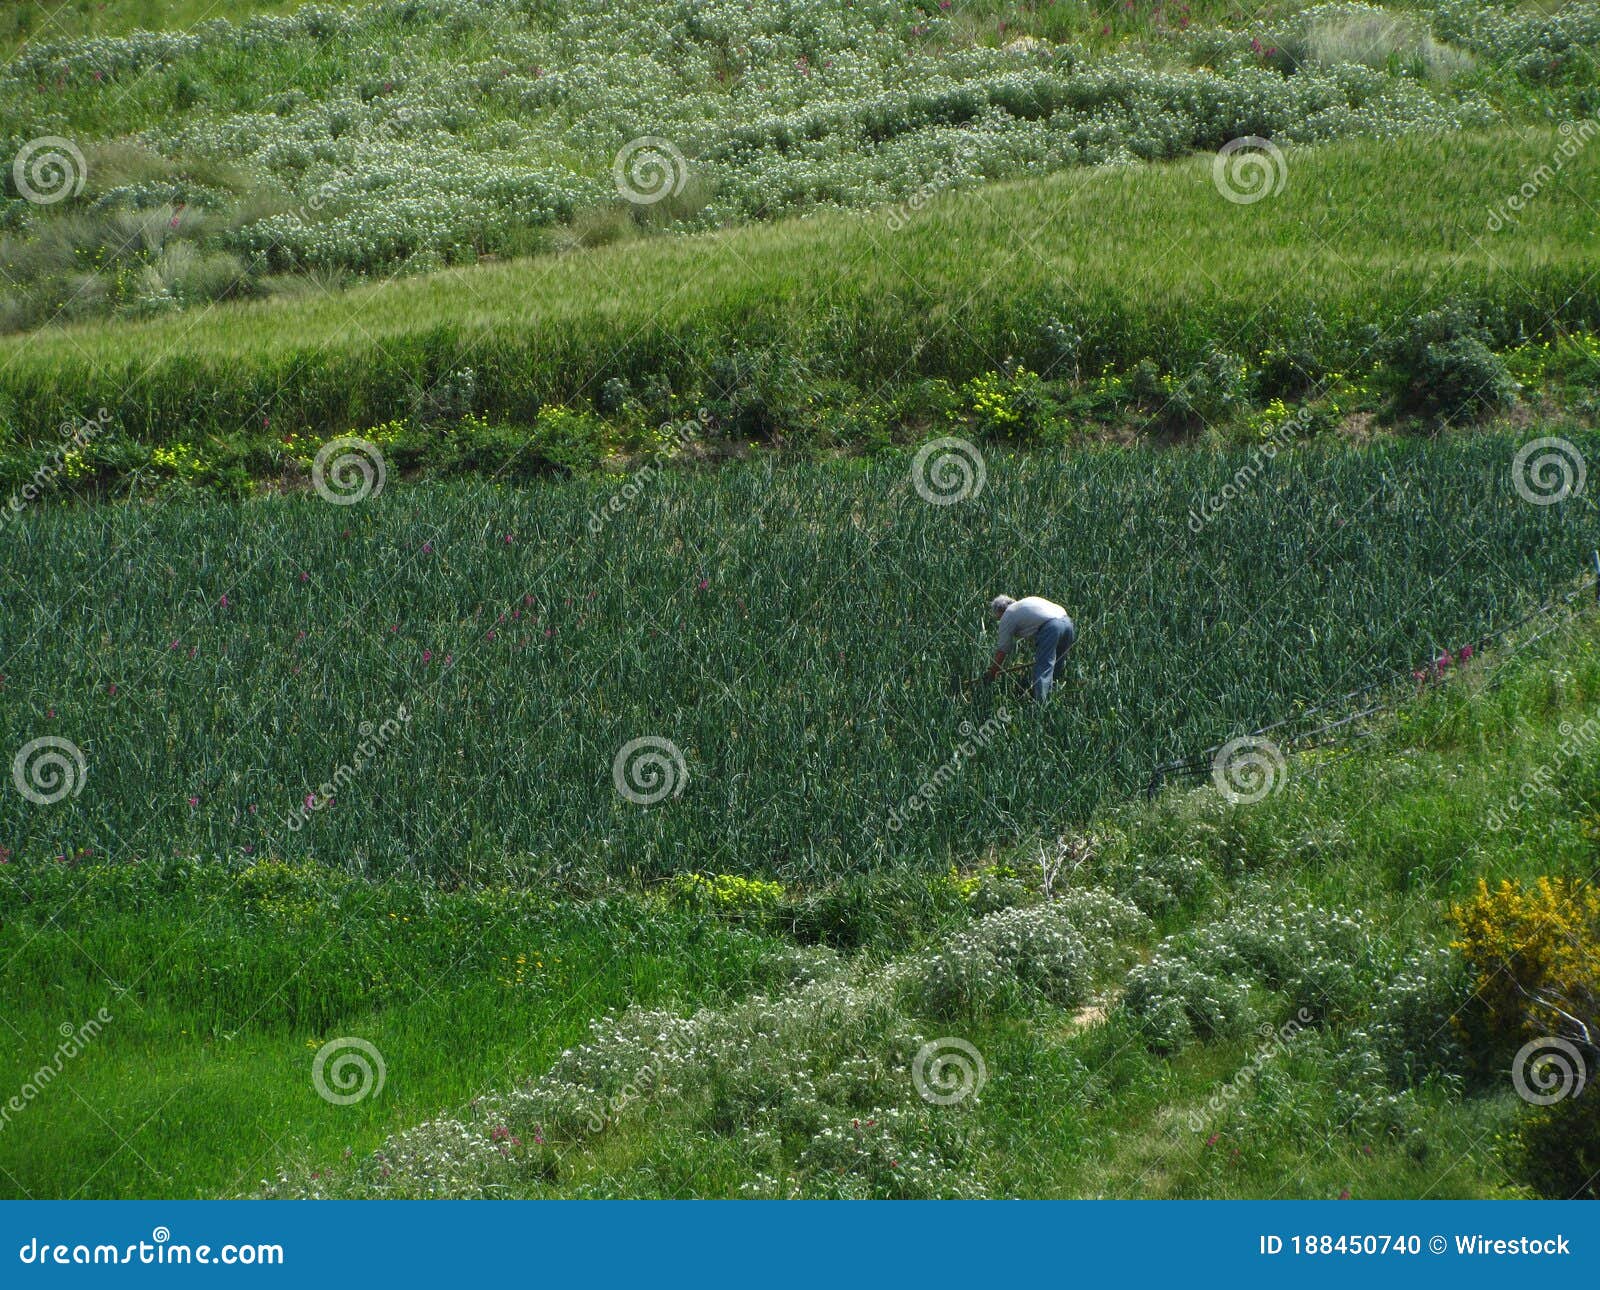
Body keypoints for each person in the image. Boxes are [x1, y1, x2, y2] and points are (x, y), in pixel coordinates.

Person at [985, 594, 1076, 703]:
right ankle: (1054, 699)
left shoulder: (1008, 615)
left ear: (1000, 611)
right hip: (1067, 623)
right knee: (1056, 665)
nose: (999, 620)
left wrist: (992, 673)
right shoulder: (1025, 604)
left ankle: (1041, 706)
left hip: (1052, 627)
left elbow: (1002, 650)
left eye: (998, 617)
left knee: (1043, 667)